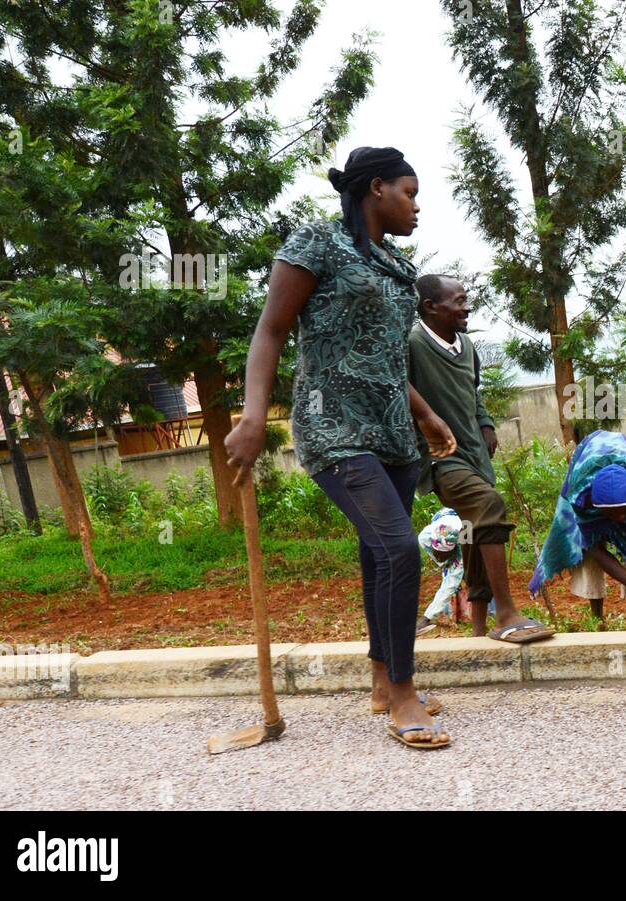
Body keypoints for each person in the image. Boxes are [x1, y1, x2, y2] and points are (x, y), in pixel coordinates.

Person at [224, 146, 452, 750]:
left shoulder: (396, 266)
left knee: (380, 557)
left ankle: (382, 680)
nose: (416, 204)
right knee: (401, 549)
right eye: (408, 191)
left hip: (393, 433)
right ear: (375, 189)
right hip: (334, 428)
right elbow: (270, 330)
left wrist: (425, 414)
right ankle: (403, 693)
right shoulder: (316, 245)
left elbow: (384, 354)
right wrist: (252, 416)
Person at [407, 273, 554, 643]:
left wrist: (486, 424)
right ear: (430, 307)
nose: (466, 307)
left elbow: (473, 393)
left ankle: (477, 631)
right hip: (441, 459)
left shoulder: (466, 346)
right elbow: (398, 388)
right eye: (457, 301)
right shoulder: (413, 344)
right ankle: (506, 613)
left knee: (472, 535)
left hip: (475, 454)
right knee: (488, 505)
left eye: (465, 299)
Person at [527, 429, 626, 626]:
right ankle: (597, 616)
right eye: (611, 514)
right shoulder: (580, 495)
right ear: (594, 504)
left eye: (625, 512)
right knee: (586, 544)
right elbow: (593, 548)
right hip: (588, 463)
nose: (619, 519)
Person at [415, 508, 470, 636]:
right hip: (444, 517)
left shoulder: (462, 546)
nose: (438, 557)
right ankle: (447, 610)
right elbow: (440, 557)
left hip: (468, 526)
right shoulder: (425, 536)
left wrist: (426, 618)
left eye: (443, 554)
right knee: (450, 571)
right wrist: (444, 563)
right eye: (437, 554)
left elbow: (449, 586)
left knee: (458, 577)